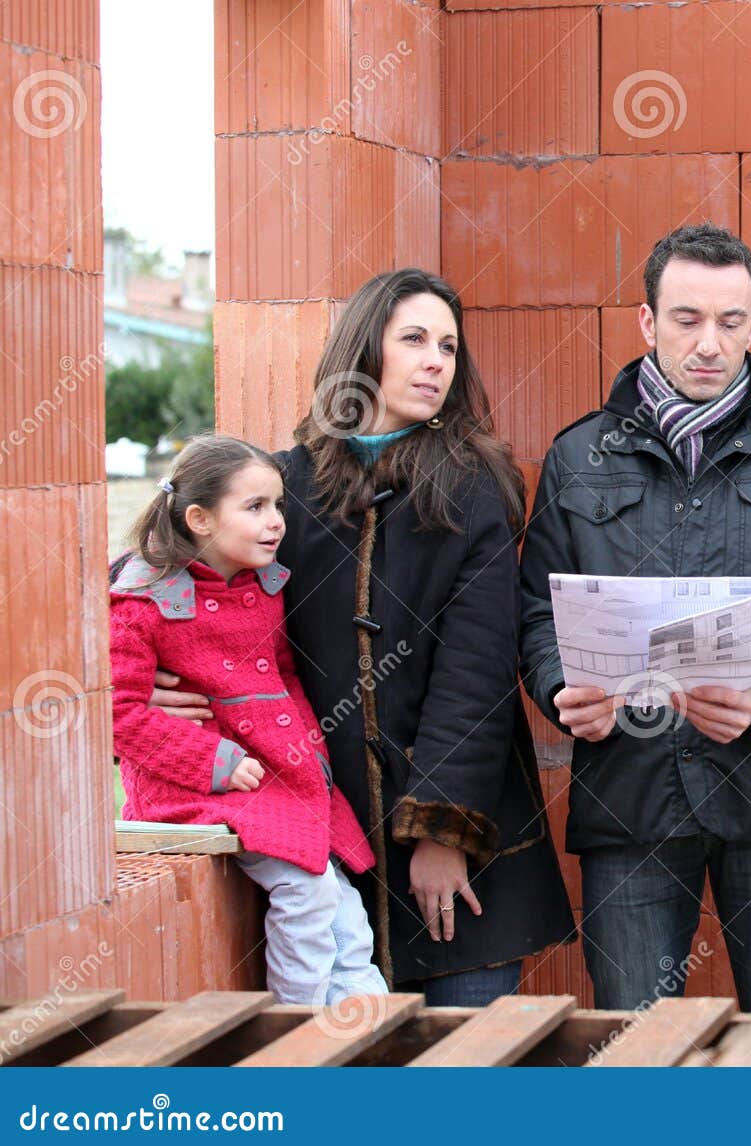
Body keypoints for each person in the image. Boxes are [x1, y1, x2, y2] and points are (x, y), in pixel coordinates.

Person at [143, 269, 575, 1005]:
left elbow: (477, 669)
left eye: (447, 345)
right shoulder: (283, 484)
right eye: (413, 339)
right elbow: (193, 597)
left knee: (463, 1077)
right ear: (361, 348)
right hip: (319, 831)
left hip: (464, 848)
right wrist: (161, 683)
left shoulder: (476, 484)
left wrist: (443, 831)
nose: (436, 360)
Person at [519, 224, 751, 1011]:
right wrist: (559, 690)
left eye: (730, 321)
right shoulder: (581, 457)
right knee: (635, 1054)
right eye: (686, 319)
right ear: (647, 322)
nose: (709, 343)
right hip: (629, 794)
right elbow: (538, 611)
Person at [111, 435, 385, 1006]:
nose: (276, 522)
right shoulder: (141, 603)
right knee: (307, 894)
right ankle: (292, 1038)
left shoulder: (262, 588)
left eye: (278, 505)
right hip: (195, 789)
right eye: (255, 507)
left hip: (280, 777)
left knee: (347, 911)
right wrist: (214, 760)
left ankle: (370, 1039)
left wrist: (311, 753)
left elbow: (283, 680)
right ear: (199, 518)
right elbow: (119, 714)